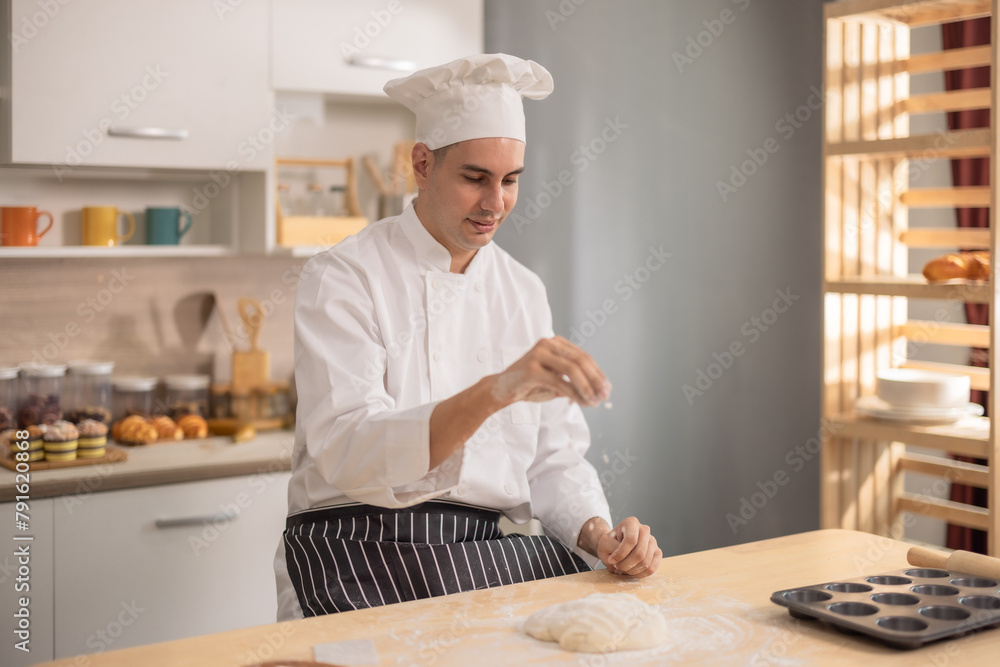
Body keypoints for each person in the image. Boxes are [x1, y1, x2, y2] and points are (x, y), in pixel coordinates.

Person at [274, 53, 661, 621]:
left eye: (510, 180)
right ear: (422, 164)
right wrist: (496, 391)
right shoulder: (345, 276)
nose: (495, 203)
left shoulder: (522, 290)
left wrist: (599, 534)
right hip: (354, 551)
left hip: (478, 557)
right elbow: (349, 449)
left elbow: (552, 459)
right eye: (475, 178)